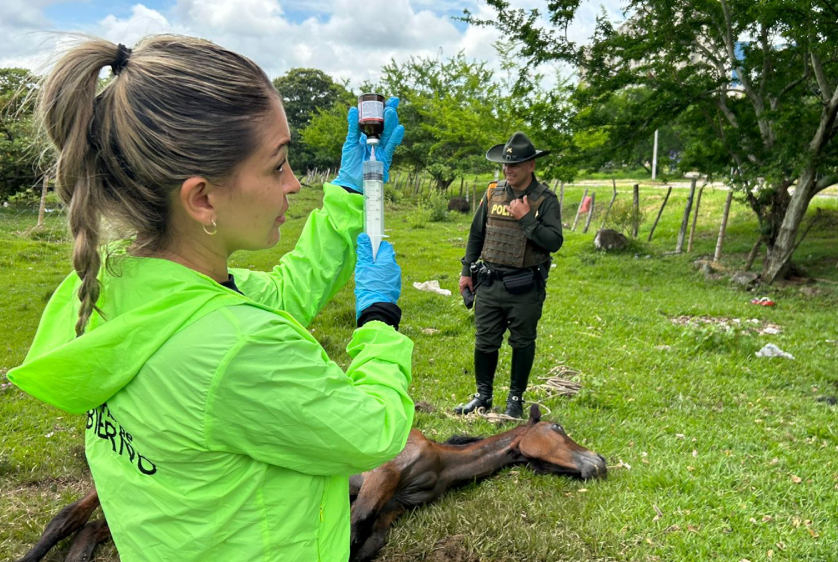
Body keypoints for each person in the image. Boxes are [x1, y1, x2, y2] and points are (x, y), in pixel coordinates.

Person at [8, 35, 411, 562]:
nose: (293, 184)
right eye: (277, 165)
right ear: (202, 198)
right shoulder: (236, 349)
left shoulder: (120, 284)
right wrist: (379, 318)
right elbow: (375, 431)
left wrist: (350, 191)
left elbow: (284, 292)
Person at [455, 132, 563, 419]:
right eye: (505, 164)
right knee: (485, 340)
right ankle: (483, 396)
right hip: (490, 283)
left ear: (531, 166)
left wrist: (527, 219)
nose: (508, 169)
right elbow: (477, 234)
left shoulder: (545, 200)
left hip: (525, 287)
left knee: (522, 341)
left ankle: (515, 399)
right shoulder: (493, 193)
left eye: (515, 164)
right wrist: (467, 270)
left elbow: (554, 242)